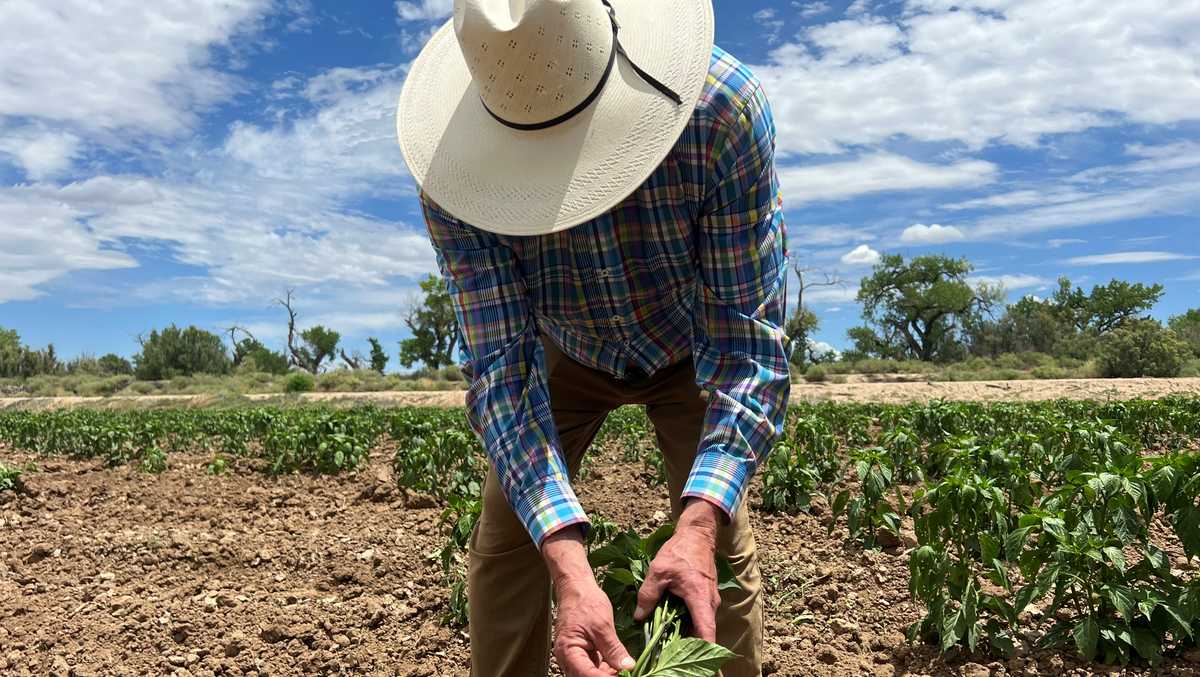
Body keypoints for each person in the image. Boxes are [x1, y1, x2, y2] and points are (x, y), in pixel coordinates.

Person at [396, 1, 788, 675]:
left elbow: (746, 347)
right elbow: (500, 368)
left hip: (690, 343)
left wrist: (695, 524)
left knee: (718, 552)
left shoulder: (721, 112)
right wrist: (569, 563)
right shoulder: (453, 179)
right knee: (507, 545)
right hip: (565, 349)